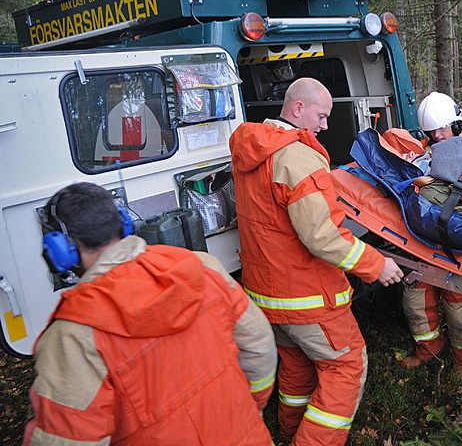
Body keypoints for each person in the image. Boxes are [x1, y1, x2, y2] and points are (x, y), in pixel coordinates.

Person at [24, 182, 277, 445]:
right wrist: (251, 405)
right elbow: (259, 346)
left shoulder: (74, 334)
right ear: (123, 222)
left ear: (60, 250)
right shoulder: (202, 266)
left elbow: (65, 437)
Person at [229, 77, 404, 446]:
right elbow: (322, 235)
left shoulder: (253, 150)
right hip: (306, 297)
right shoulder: (297, 158)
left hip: (265, 296)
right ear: (298, 109)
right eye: (321, 116)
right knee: (347, 366)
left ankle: (291, 431)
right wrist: (377, 265)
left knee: (295, 369)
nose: (325, 126)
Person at [399, 92, 462, 378]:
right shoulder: (424, 149)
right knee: (415, 298)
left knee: (457, 305)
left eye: (441, 129)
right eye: (430, 132)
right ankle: (428, 350)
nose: (436, 136)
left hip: (453, 239)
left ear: (456, 124)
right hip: (421, 237)